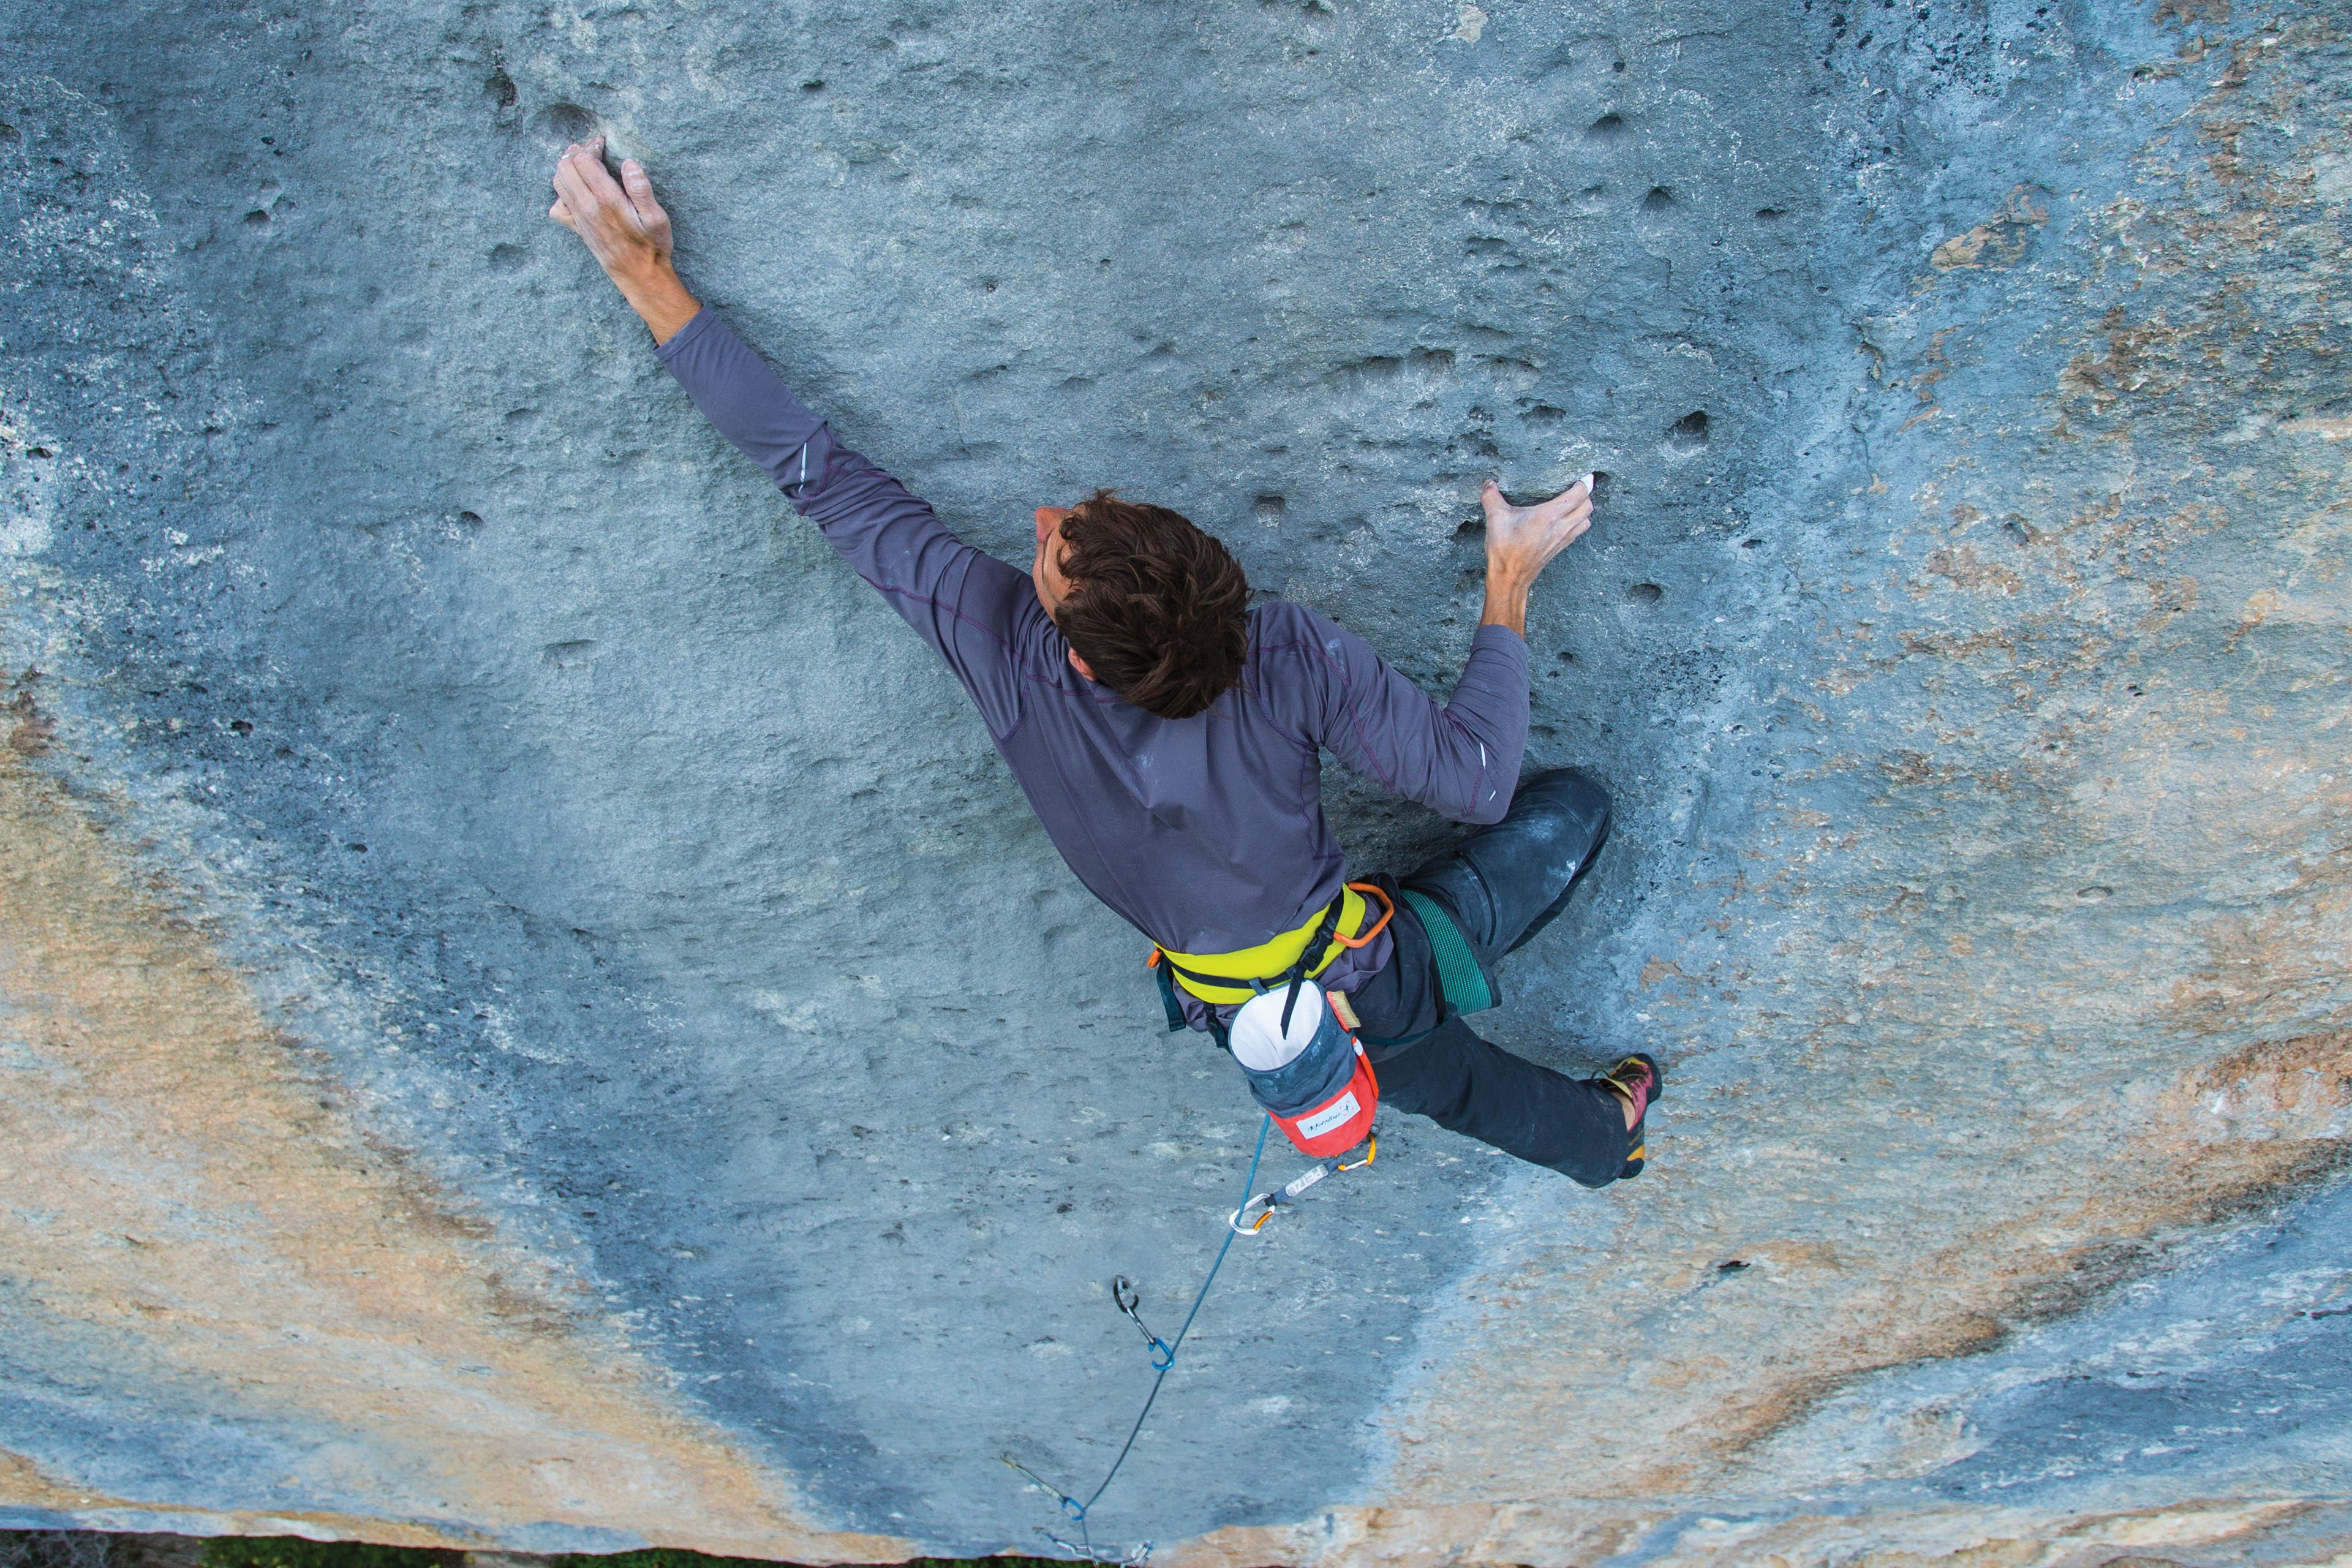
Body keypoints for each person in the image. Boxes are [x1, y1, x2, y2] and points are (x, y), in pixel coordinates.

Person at [548, 138, 1660, 1186]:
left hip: (1243, 1010)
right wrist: (1507, 583)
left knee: (1449, 1070)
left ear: (1082, 658)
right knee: (1572, 814)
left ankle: (1593, 1134)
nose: (1040, 519)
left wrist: (649, 280)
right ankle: (1594, 1126)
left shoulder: (1012, 659)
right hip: (1369, 978)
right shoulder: (1285, 655)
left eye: (1055, 542)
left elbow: (825, 481)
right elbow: (1475, 781)